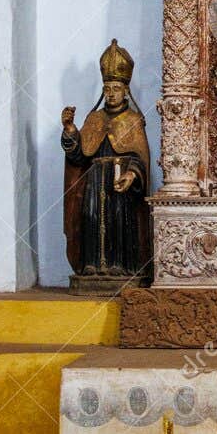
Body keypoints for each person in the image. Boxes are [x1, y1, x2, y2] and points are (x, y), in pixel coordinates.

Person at [62, 40, 151, 285]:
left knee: (119, 220)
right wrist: (70, 129)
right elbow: (79, 156)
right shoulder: (94, 118)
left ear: (125, 90)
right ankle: (90, 266)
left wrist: (132, 175)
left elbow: (140, 158)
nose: (111, 92)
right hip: (94, 180)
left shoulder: (133, 119)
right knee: (91, 217)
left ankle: (120, 267)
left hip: (120, 182)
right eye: (107, 87)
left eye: (116, 87)